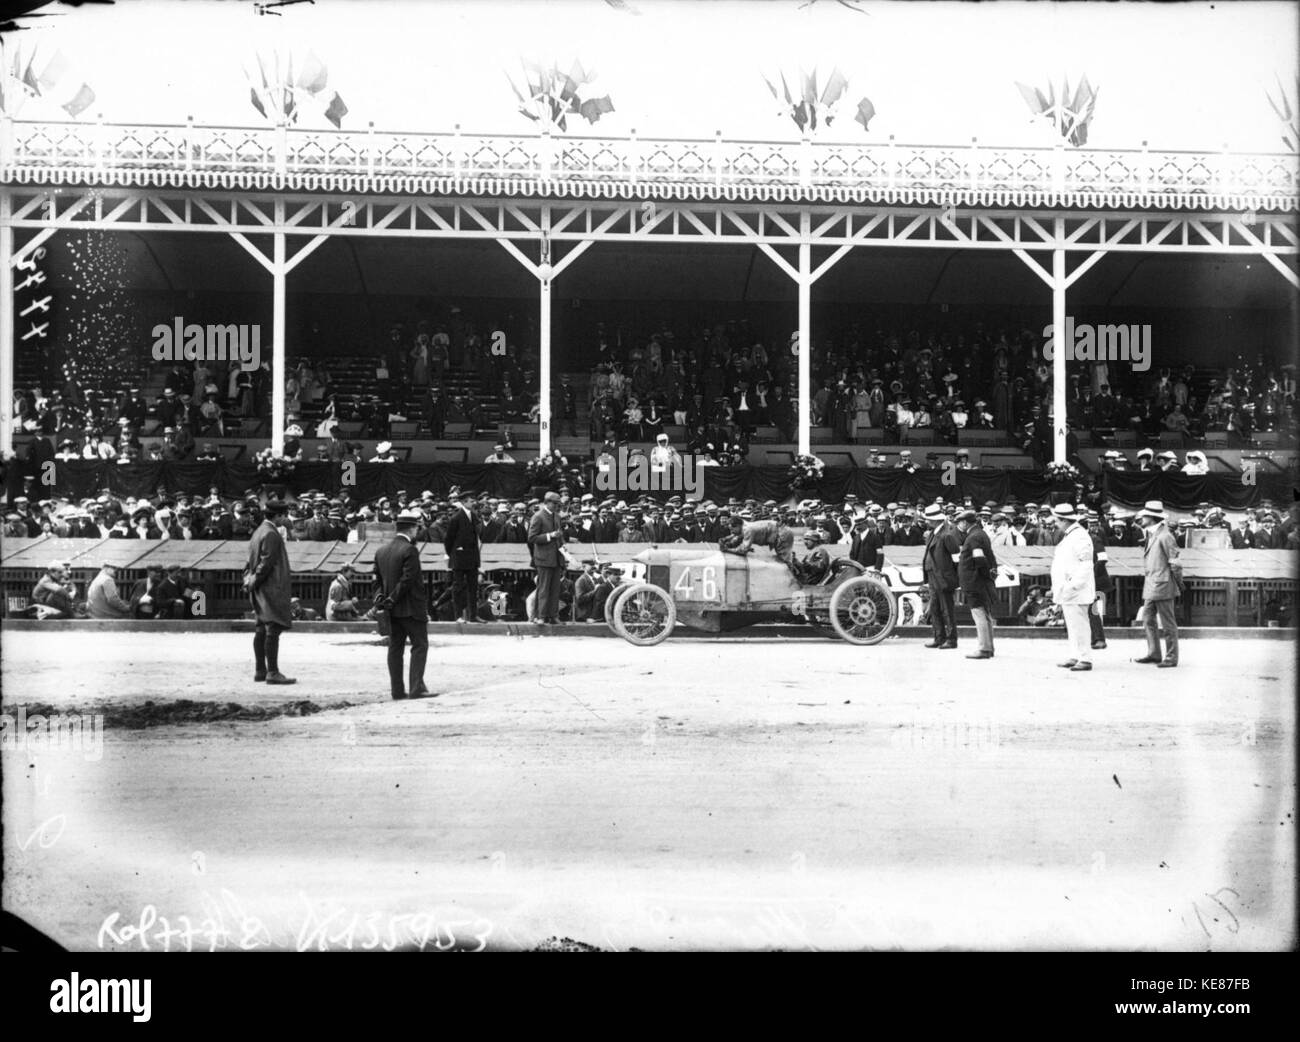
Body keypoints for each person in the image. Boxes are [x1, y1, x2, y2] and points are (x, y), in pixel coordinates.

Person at [373, 510, 433, 699]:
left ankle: (397, 690)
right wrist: (393, 598)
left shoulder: (381, 551)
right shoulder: (410, 550)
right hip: (411, 609)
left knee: (395, 648)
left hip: (391, 612)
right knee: (419, 646)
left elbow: (376, 581)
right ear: (412, 529)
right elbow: (408, 580)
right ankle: (417, 688)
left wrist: (383, 599)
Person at [242, 498, 296, 685]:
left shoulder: (258, 532)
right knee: (273, 627)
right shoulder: (272, 534)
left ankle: (260, 670)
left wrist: (248, 580)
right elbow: (266, 563)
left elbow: (250, 561)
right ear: (278, 515)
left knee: (260, 628)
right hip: (270, 586)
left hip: (258, 586)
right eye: (284, 515)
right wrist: (255, 580)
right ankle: (272, 672)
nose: (285, 519)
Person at [1132, 500, 1182, 669]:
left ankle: (1171, 657)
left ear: (1152, 517)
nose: (1141, 518)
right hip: (1153, 586)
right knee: (1147, 619)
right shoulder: (1154, 533)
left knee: (1168, 623)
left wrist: (1179, 584)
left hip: (1162, 585)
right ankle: (1155, 653)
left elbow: (1175, 563)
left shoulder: (1165, 535)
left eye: (1144, 515)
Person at [1048, 503, 1096, 671]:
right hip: (1068, 591)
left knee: (1080, 624)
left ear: (1063, 520)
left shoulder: (1080, 536)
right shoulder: (1071, 535)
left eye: (1057, 520)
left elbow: (1086, 564)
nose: (1055, 523)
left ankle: (1085, 658)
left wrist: (1073, 586)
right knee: (1072, 625)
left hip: (1076, 591)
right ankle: (1075, 655)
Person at [955, 508, 997, 659]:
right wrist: (989, 576)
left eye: (960, 522)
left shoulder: (973, 537)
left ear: (965, 523)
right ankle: (989, 647)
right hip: (981, 581)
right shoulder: (981, 534)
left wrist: (985, 576)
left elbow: (979, 559)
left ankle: (984, 649)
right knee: (985, 615)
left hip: (974, 582)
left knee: (979, 614)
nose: (959, 525)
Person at [920, 504, 960, 649]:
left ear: (935, 520)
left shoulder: (947, 535)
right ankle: (939, 637)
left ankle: (951, 640)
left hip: (943, 577)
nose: (927, 521)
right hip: (933, 576)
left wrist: (954, 578)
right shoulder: (933, 533)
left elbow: (957, 559)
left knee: (947, 610)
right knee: (935, 608)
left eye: (929, 519)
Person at [443, 490, 483, 624]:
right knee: (458, 587)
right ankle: (458, 616)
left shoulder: (474, 516)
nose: (474, 503)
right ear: (464, 502)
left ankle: (473, 615)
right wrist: (454, 553)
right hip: (459, 558)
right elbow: (448, 540)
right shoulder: (456, 518)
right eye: (471, 501)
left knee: (473, 587)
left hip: (472, 558)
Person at [527, 491, 566, 624]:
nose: (557, 506)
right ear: (547, 502)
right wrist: (550, 536)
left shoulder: (557, 517)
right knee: (543, 589)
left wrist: (564, 553)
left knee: (555, 589)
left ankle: (553, 615)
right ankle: (541, 616)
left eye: (558, 504)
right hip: (543, 559)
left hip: (556, 558)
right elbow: (532, 538)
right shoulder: (538, 517)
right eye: (555, 504)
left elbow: (560, 537)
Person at [1087, 512, 1113, 651]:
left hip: (1097, 581)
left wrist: (1092, 574)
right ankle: (1094, 639)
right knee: (1091, 610)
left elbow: (1102, 559)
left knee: (1093, 611)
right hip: (1092, 580)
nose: (1093, 527)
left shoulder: (1095, 539)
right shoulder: (1088, 539)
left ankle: (1099, 639)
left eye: (1095, 524)